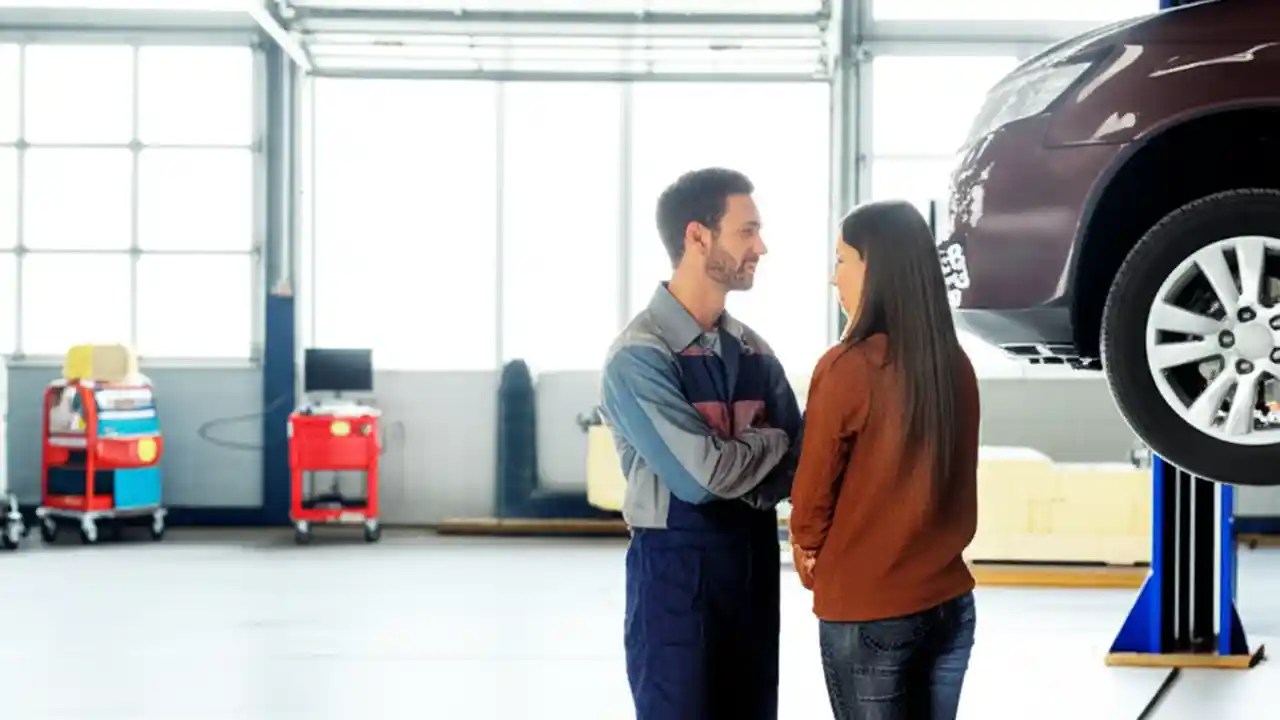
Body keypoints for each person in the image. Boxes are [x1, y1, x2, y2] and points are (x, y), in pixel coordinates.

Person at [599, 167, 803, 720]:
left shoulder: (756, 351)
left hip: (753, 568)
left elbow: (798, 463)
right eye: (747, 231)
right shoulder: (639, 356)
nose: (761, 246)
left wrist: (748, 461)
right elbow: (699, 478)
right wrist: (769, 441)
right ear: (697, 237)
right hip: (673, 580)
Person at [788, 200, 981, 720]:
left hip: (870, 612)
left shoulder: (847, 368)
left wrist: (807, 552)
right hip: (949, 604)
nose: (835, 278)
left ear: (876, 266)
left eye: (843, 260)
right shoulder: (955, 367)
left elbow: (811, 497)